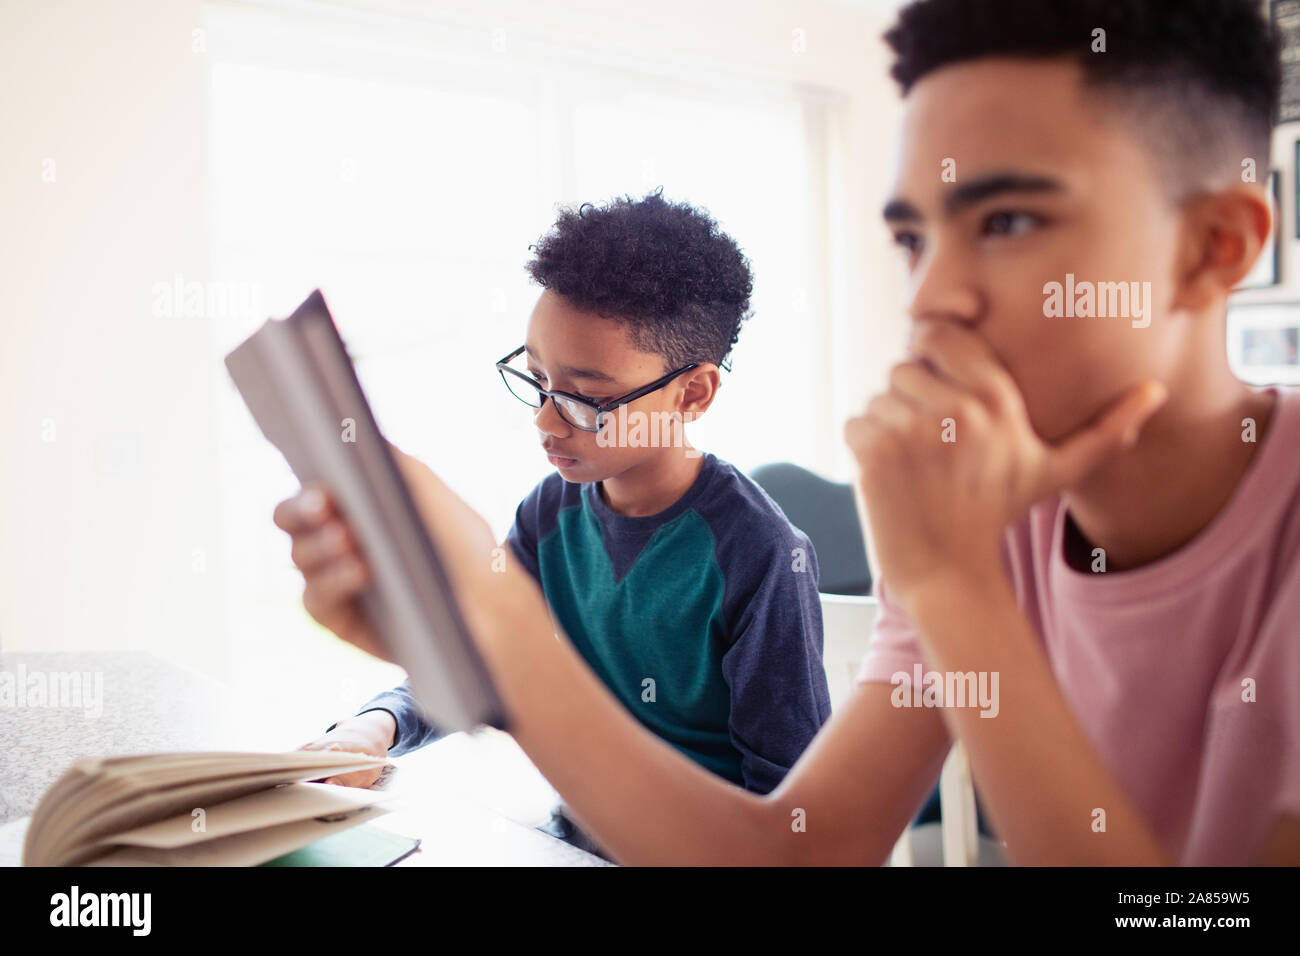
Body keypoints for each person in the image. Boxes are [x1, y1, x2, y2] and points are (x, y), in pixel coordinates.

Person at [278, 0, 1300, 864]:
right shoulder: (979, 523)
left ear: (1215, 245)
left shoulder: (953, 543)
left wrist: (953, 588)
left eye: (1007, 222)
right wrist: (479, 621)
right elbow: (793, 852)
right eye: (912, 237)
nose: (930, 295)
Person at [283, 191, 831, 855]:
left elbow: (793, 813)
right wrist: (377, 726)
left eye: (583, 398)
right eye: (538, 381)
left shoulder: (761, 555)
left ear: (693, 394)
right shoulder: (551, 512)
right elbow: (476, 655)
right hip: (574, 844)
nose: (545, 420)